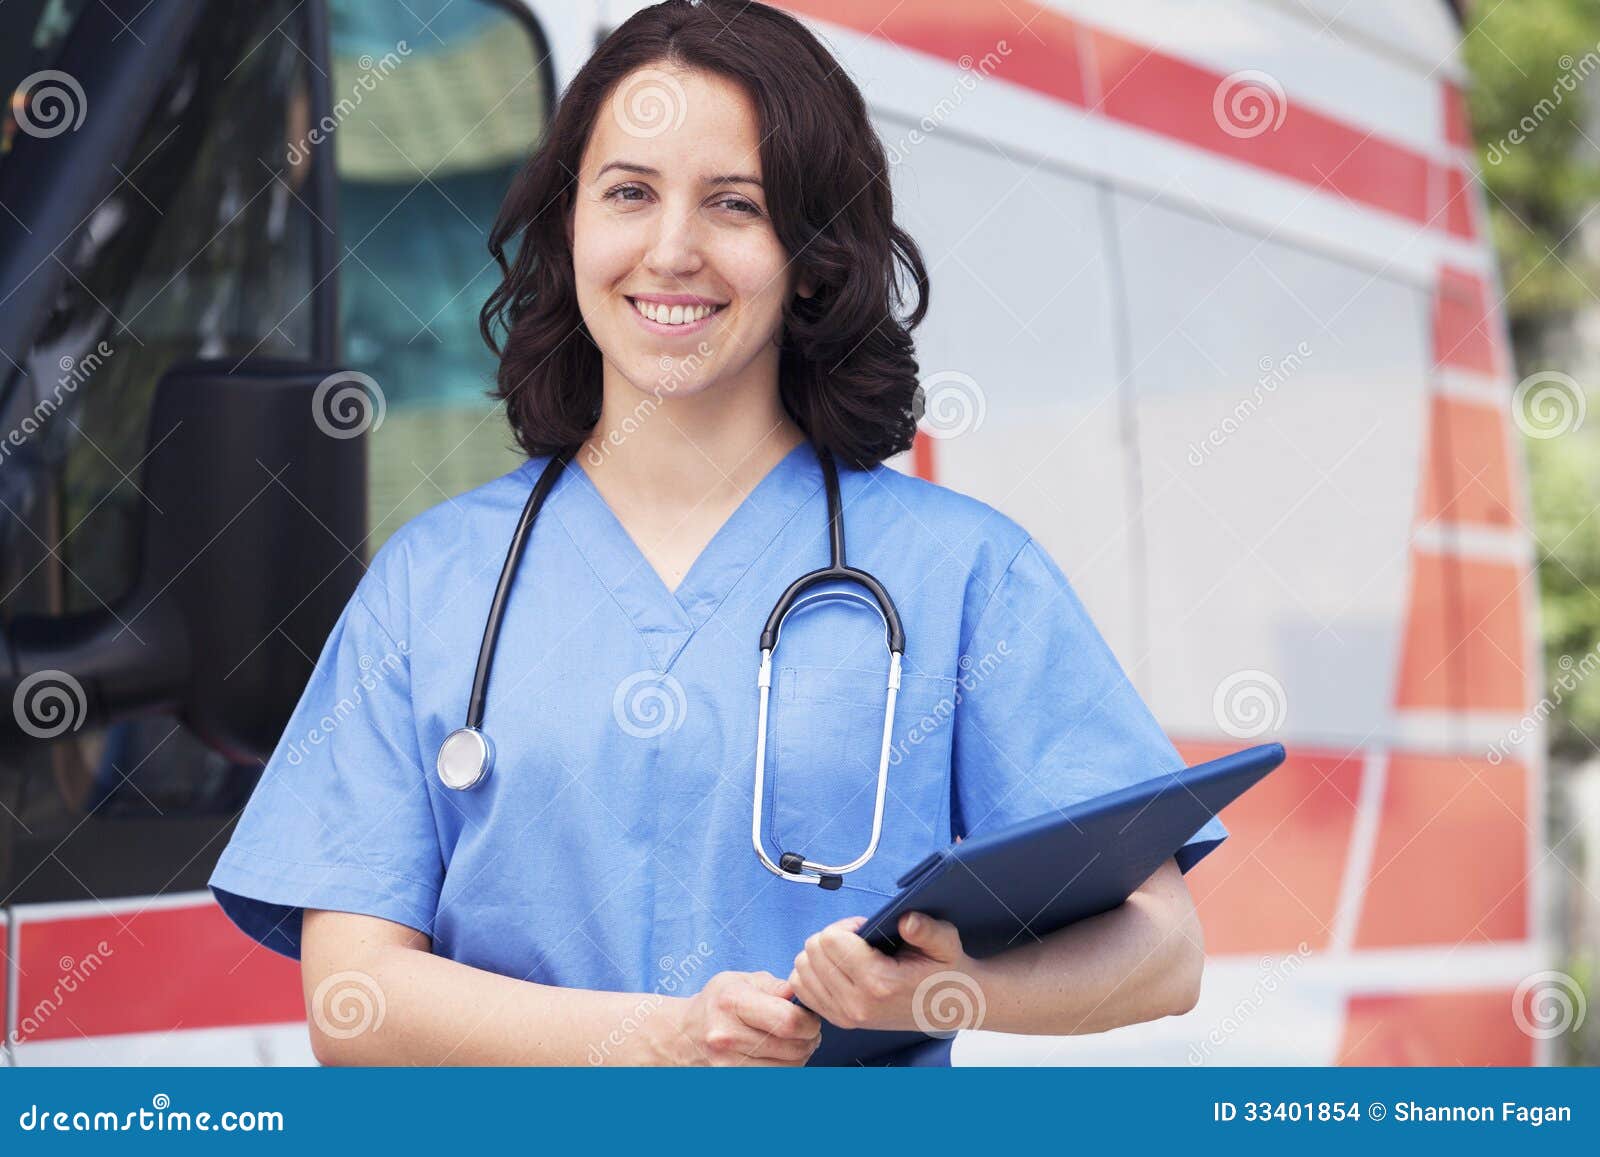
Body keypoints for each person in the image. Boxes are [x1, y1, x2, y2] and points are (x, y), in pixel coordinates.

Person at [208, 0, 1227, 1067]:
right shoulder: (432, 582)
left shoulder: (965, 573)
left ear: (811, 252)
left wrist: (938, 993)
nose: (672, 249)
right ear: (570, 222)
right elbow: (352, 998)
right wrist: (659, 1037)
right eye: (629, 193)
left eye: (735, 205)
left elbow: (1163, 951)